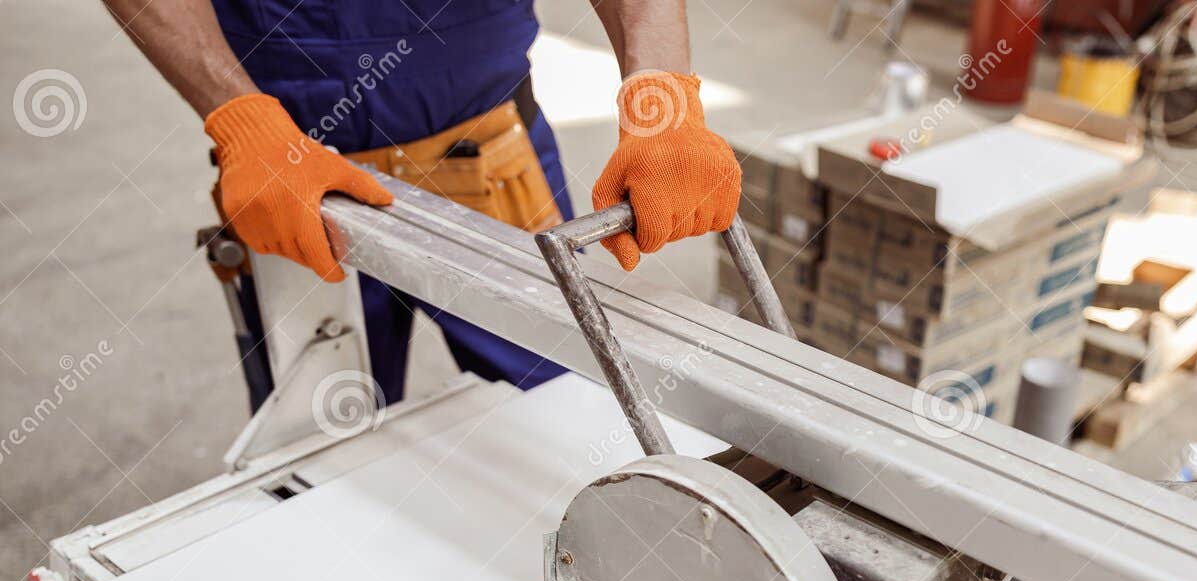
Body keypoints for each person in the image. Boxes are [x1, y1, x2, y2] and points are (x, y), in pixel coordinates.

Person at [101, 0, 742, 408]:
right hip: (294, 184)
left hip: (492, 163)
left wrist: (664, 101)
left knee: (564, 417)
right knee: (319, 457)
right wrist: (241, 122)